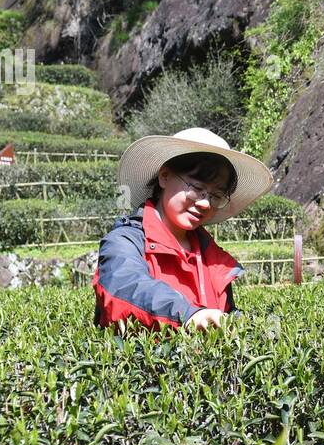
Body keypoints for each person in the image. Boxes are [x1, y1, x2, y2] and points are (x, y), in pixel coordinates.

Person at [93, 127, 274, 331]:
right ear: (164, 176)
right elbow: (124, 287)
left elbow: (224, 314)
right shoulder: (125, 242)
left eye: (216, 196)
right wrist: (188, 314)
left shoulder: (212, 257)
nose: (205, 204)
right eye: (197, 188)